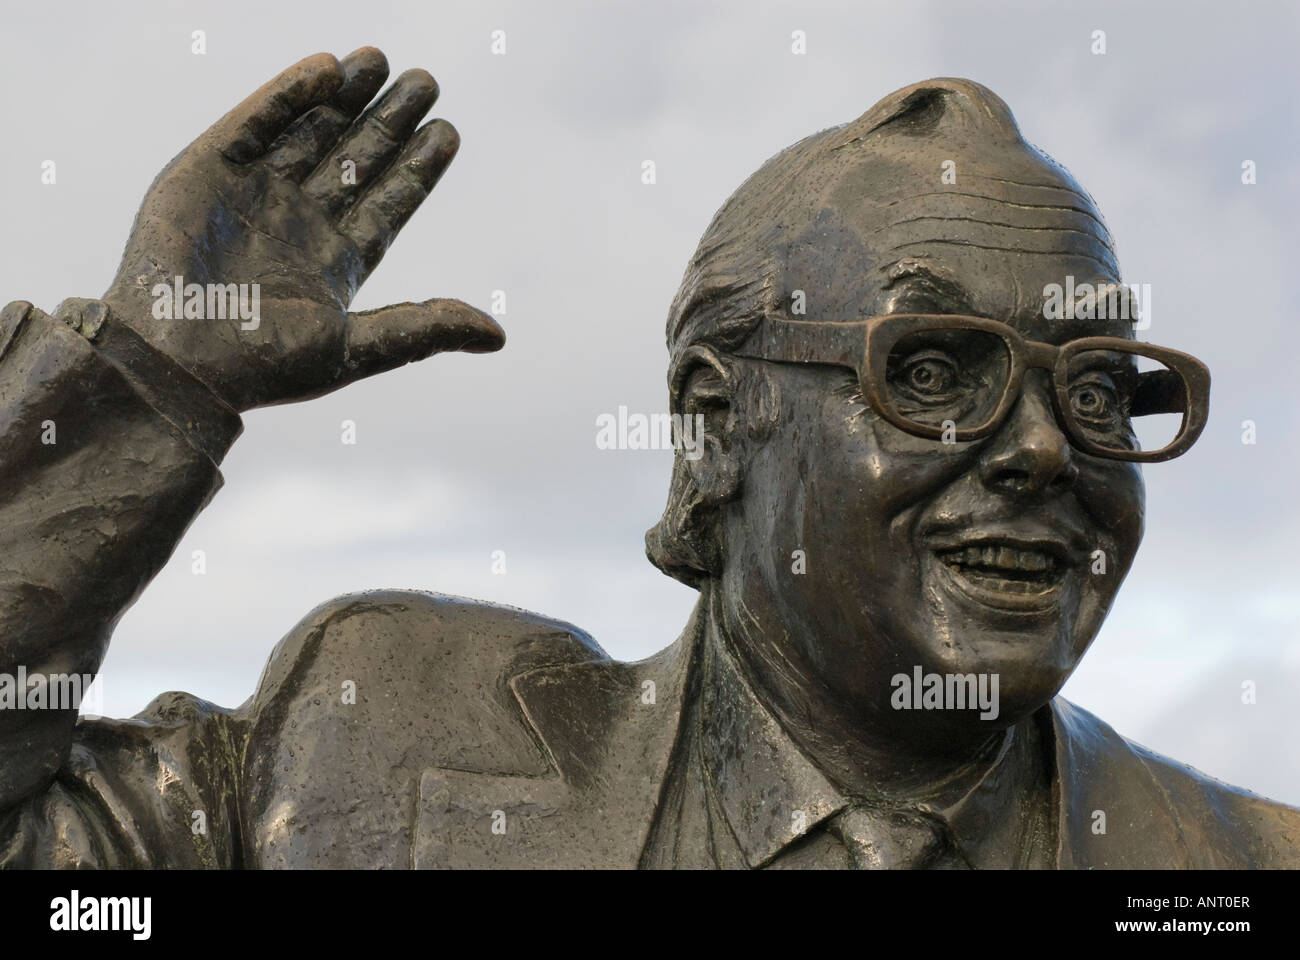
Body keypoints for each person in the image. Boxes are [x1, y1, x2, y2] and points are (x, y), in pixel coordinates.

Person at [0, 48, 1294, 869]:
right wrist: (137, 389)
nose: (1037, 449)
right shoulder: (364, 756)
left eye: (1097, 389)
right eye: (935, 373)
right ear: (719, 421)